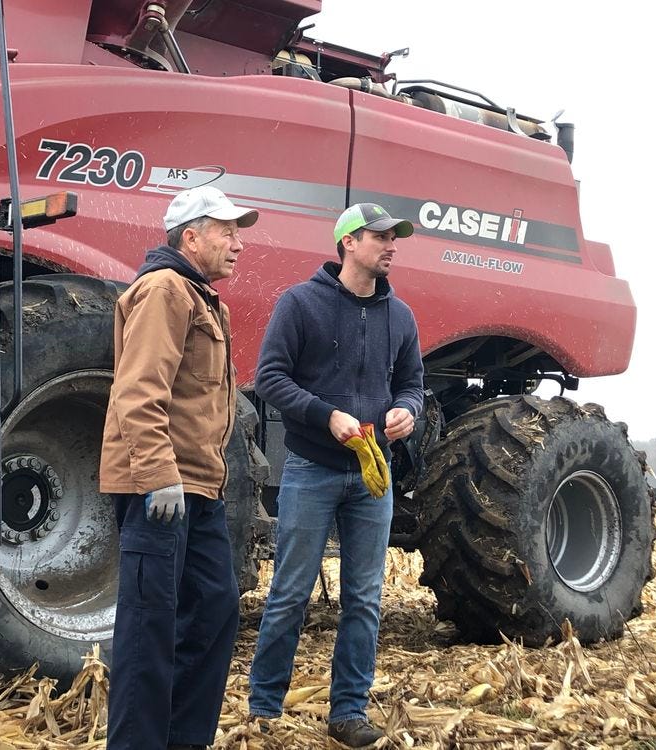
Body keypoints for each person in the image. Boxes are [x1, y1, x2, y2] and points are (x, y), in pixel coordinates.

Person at [248, 203, 425, 747]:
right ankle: (264, 709)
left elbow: (414, 384)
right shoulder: (300, 304)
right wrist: (325, 414)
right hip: (311, 470)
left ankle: (348, 713)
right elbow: (268, 378)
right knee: (290, 593)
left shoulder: (401, 316)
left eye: (395, 237)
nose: (392, 245)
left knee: (365, 600)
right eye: (381, 236)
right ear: (348, 242)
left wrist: (407, 411)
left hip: (374, 479)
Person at [100, 185, 259, 750]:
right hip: (161, 488)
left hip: (199, 487)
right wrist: (159, 474)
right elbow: (139, 390)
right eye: (228, 231)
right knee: (151, 626)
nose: (239, 243)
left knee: (215, 607)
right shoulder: (165, 290)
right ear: (191, 236)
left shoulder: (201, 296)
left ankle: (183, 739)